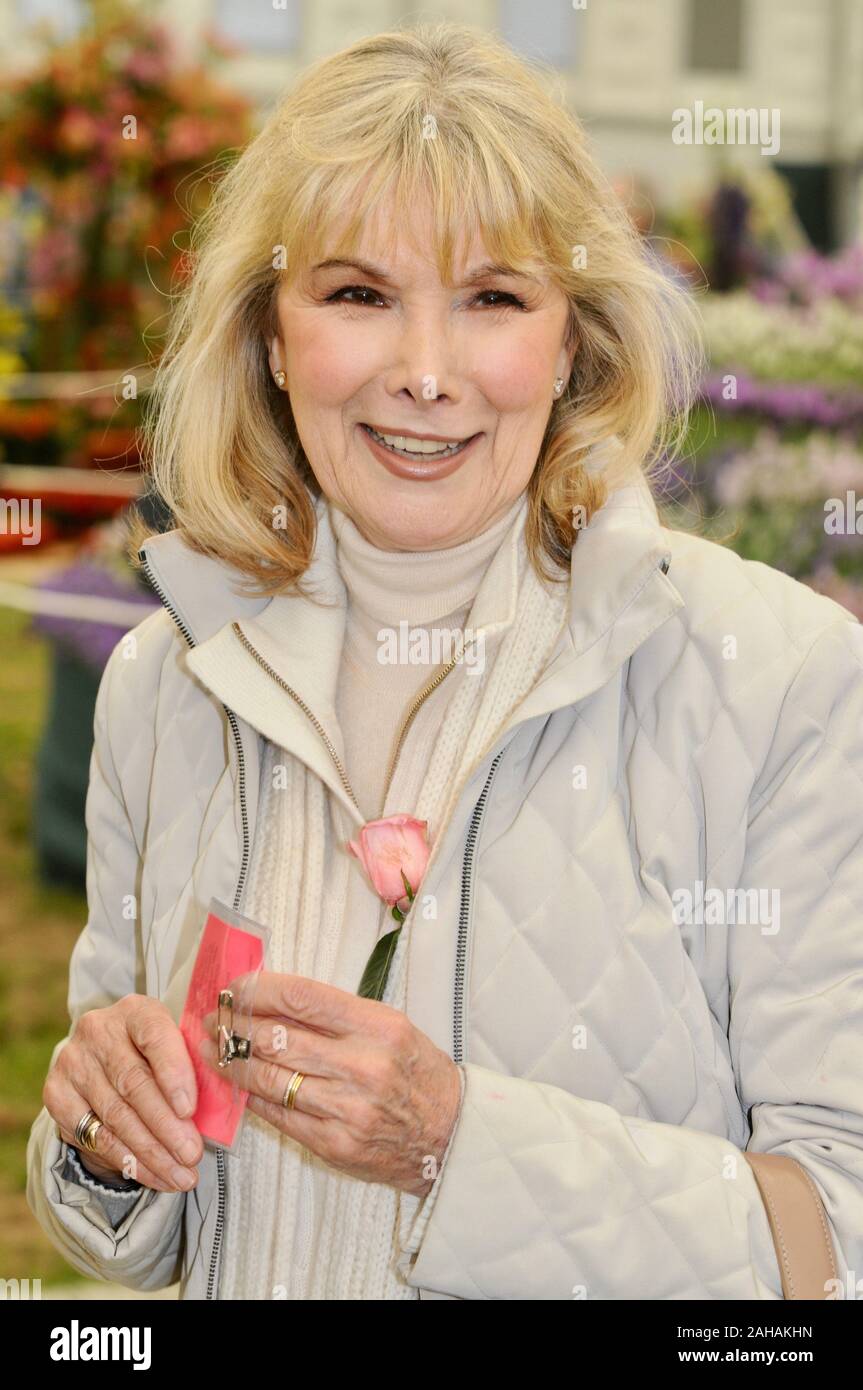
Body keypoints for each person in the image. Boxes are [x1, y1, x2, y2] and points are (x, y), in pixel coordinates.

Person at [27, 21, 863, 1300]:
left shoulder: (777, 681)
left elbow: (838, 1249)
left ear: (572, 339)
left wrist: (457, 1149)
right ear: (269, 333)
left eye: (491, 300)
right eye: (358, 294)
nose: (424, 374)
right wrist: (102, 1144)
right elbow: (133, 1236)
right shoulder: (168, 678)